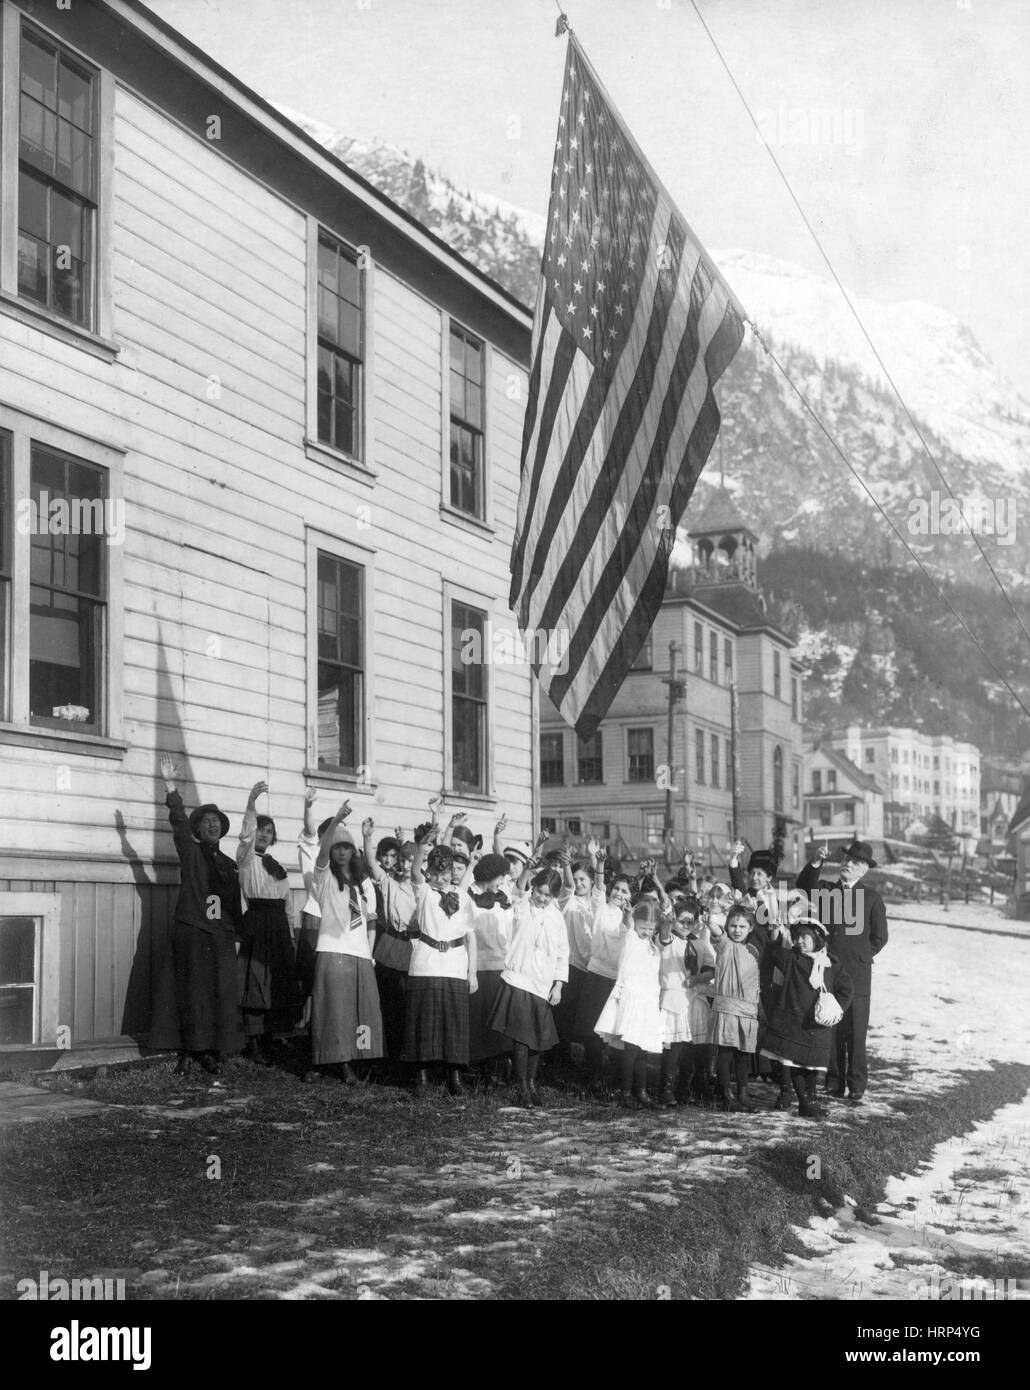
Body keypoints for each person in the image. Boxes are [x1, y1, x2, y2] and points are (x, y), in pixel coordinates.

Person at [157, 755, 243, 1080]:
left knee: (217, 994)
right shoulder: (191, 852)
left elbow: (232, 904)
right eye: (206, 821)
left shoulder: (228, 863)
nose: (212, 825)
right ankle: (194, 1049)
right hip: (192, 931)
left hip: (219, 935)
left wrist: (234, 936)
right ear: (199, 827)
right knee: (193, 993)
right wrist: (170, 786)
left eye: (216, 821)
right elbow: (178, 822)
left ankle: (213, 1048)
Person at [796, 839, 888, 1104]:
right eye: (847, 860)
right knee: (832, 1026)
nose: (849, 865)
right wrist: (815, 862)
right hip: (830, 973)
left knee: (856, 1032)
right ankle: (833, 1082)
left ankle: (857, 1084)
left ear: (864, 870)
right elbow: (803, 887)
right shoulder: (825, 890)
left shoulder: (871, 897)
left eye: (856, 863)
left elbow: (879, 937)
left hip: (858, 975)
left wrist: (860, 956)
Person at [310, 801, 383, 1083]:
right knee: (334, 1009)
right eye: (336, 846)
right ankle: (336, 1063)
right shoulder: (325, 877)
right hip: (333, 950)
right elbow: (322, 850)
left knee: (360, 1009)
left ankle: (359, 1058)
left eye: (346, 847)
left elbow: (370, 923)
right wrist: (337, 819)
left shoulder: (363, 884)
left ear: (354, 851)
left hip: (360, 952)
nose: (341, 851)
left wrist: (370, 953)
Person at [487, 866, 569, 1108]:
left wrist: (559, 985)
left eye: (547, 895)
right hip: (519, 978)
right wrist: (527, 869)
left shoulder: (557, 917)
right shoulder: (522, 906)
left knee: (538, 1037)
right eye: (539, 892)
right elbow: (519, 890)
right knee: (521, 1037)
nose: (542, 898)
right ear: (533, 888)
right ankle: (520, 1085)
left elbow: (563, 953)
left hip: (542, 984)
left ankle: (532, 1083)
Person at [405, 826, 478, 1096]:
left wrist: (473, 973)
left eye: (444, 873)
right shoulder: (423, 892)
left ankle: (454, 1077)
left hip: (455, 964)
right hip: (426, 961)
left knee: (454, 1021)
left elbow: (470, 936)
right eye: (434, 873)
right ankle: (422, 1077)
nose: (439, 879)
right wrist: (421, 848)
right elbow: (415, 872)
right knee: (423, 1019)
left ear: (452, 873)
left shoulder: (463, 896)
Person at [759, 914, 855, 1118]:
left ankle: (810, 1099)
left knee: (813, 1066)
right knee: (795, 1064)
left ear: (817, 938)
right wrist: (775, 934)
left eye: (805, 937)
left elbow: (847, 989)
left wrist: (836, 1009)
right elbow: (772, 952)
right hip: (794, 1022)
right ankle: (804, 1101)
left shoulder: (832, 964)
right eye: (797, 937)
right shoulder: (792, 959)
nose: (799, 941)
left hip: (818, 1026)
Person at [235, 780, 301, 1063]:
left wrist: (291, 934)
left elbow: (287, 904)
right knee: (255, 981)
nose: (264, 834)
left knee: (276, 982)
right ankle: (253, 1044)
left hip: (278, 928)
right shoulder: (247, 860)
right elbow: (245, 836)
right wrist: (251, 803)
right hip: (257, 923)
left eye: (269, 831)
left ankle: (270, 1040)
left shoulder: (277, 866)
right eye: (261, 829)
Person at [594, 898, 665, 1108]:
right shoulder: (631, 938)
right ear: (636, 923)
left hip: (647, 1002)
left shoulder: (652, 946)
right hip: (631, 1000)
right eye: (643, 927)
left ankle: (641, 1091)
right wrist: (628, 917)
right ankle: (626, 1092)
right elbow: (627, 929)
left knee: (642, 1050)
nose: (647, 932)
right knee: (631, 1049)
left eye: (651, 929)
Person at [574, 846, 633, 1091]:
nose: (618, 893)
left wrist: (629, 919)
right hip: (596, 975)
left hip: (617, 980)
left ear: (630, 895)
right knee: (590, 1031)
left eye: (624, 890)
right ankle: (594, 1077)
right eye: (616, 888)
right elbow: (598, 888)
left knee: (615, 1032)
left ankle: (617, 1079)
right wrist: (599, 865)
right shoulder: (601, 907)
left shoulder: (630, 917)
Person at [362, 820, 417, 1069]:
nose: (405, 865)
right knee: (388, 1003)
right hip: (390, 944)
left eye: (410, 861)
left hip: (414, 949)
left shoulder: (422, 887)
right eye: (402, 860)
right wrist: (367, 838)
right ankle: (386, 1058)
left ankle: (409, 1060)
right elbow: (373, 865)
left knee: (410, 1007)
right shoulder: (388, 882)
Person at [707, 904, 761, 1112]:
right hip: (728, 1008)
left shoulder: (753, 950)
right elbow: (714, 928)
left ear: (750, 928)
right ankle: (727, 1096)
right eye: (732, 926)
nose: (737, 930)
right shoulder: (724, 944)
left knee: (743, 1054)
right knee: (726, 1052)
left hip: (747, 1010)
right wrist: (711, 914)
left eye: (742, 926)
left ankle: (743, 1094)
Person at [466, 852, 515, 1076]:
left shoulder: (501, 899)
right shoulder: (468, 897)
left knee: (497, 1021)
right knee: (478, 1019)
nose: (502, 883)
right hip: (476, 967)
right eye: (500, 878)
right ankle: (477, 1068)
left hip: (500, 967)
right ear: (490, 875)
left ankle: (496, 1068)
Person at [553, 854, 595, 1061]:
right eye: (576, 879)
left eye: (583, 880)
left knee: (588, 1019)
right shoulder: (567, 901)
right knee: (564, 1016)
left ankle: (589, 1063)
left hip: (593, 968)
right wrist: (567, 866)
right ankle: (561, 1060)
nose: (579, 884)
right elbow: (568, 886)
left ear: (591, 882)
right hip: (571, 966)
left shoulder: (597, 902)